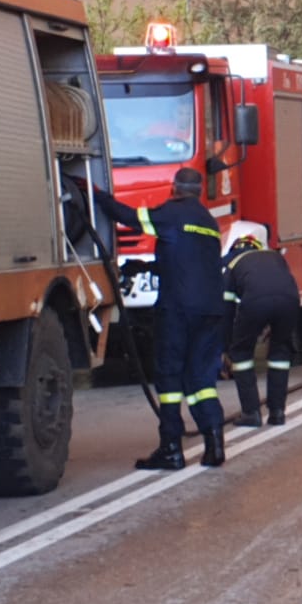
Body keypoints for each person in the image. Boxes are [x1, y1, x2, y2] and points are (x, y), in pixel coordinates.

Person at [97, 167, 227, 469]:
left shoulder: (171, 213)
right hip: (210, 311)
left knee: (170, 377)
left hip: (178, 310)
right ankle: (214, 444)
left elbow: (130, 218)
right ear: (199, 192)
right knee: (202, 379)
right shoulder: (209, 222)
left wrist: (98, 197)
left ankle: (171, 448)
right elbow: (190, 264)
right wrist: (146, 267)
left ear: (174, 190)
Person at [221, 221, 300, 427]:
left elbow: (227, 309)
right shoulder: (275, 257)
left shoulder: (231, 264)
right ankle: (277, 412)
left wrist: (227, 344)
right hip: (290, 300)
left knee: (241, 354)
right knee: (280, 353)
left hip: (255, 302)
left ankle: (251, 412)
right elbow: (280, 286)